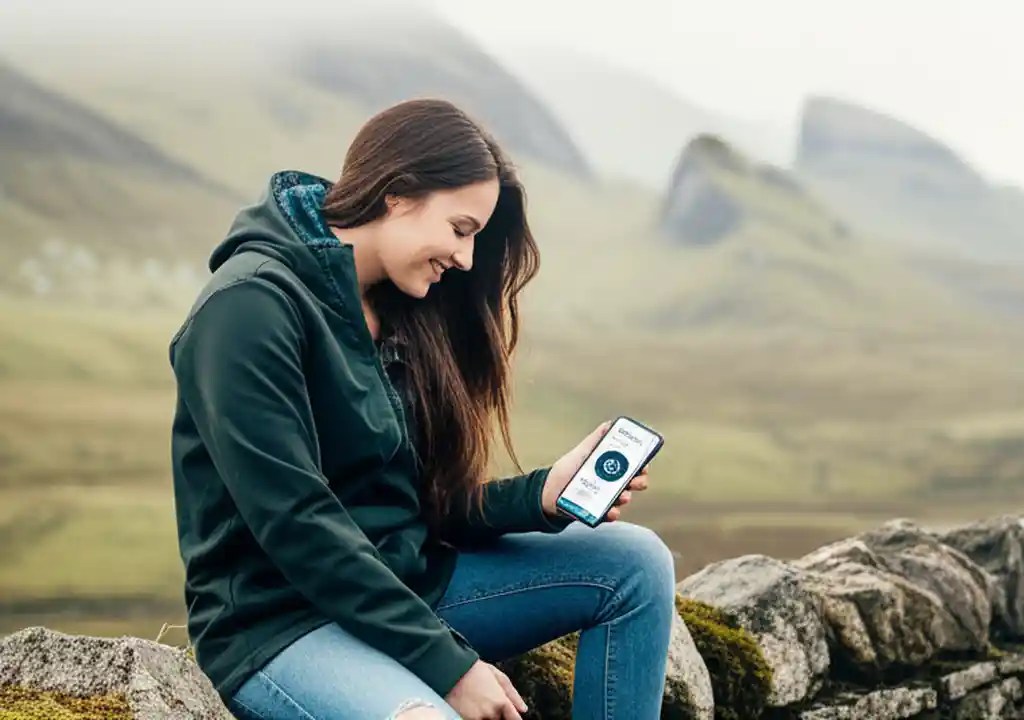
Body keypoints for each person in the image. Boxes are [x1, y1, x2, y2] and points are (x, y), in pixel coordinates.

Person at [168, 98, 676, 720]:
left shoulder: (399, 307)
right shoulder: (248, 309)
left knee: (635, 564)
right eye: (461, 229)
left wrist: (541, 495)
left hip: (410, 592)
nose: (465, 258)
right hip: (282, 628)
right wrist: (451, 668)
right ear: (398, 193)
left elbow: (419, 504)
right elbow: (297, 524)